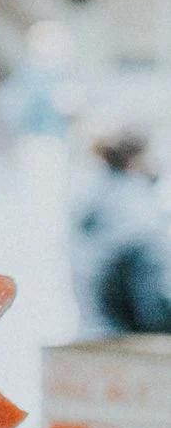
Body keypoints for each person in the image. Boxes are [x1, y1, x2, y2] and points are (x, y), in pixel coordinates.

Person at [72, 128, 171, 335]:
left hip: (92, 333)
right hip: (128, 343)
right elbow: (153, 310)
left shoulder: (94, 199)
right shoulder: (138, 212)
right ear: (135, 160)